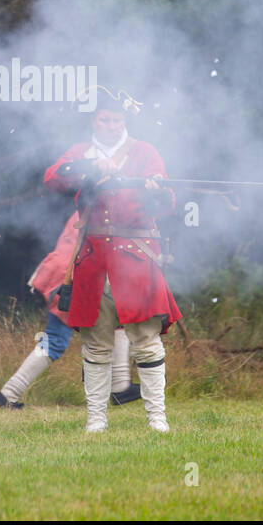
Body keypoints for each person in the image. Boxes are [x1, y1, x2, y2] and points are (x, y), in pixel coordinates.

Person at [44, 89, 181, 433]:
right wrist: (92, 165)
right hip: (93, 260)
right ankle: (96, 419)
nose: (111, 125)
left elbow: (168, 202)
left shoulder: (144, 152)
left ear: (125, 121)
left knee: (147, 342)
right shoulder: (80, 153)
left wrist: (156, 189)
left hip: (135, 256)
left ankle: (157, 418)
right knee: (96, 345)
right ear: (94, 120)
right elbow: (53, 178)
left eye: (117, 119)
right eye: (105, 119)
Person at [0, 211, 141, 409]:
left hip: (69, 270)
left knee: (113, 321)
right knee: (56, 339)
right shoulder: (104, 207)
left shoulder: (89, 204)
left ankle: (120, 386)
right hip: (73, 274)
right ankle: (8, 394)